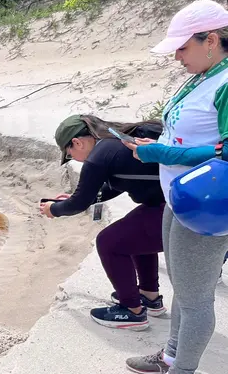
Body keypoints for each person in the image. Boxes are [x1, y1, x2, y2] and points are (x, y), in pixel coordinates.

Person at [123, 0, 228, 374]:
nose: (177, 57)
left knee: (196, 295)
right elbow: (192, 135)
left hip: (206, 204)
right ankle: (171, 355)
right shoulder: (204, 75)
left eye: (183, 48)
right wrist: (160, 144)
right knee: (183, 285)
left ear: (212, 40)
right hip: (180, 195)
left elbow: (223, 153)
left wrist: (161, 154)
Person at [40, 114, 166, 329]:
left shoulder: (98, 157)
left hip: (180, 212)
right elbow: (112, 186)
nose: (74, 159)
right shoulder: (116, 141)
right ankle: (149, 296)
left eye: (69, 154)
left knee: (109, 242)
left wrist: (54, 210)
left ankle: (132, 312)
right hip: (178, 203)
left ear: (77, 143)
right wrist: (72, 199)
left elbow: (79, 204)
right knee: (132, 234)